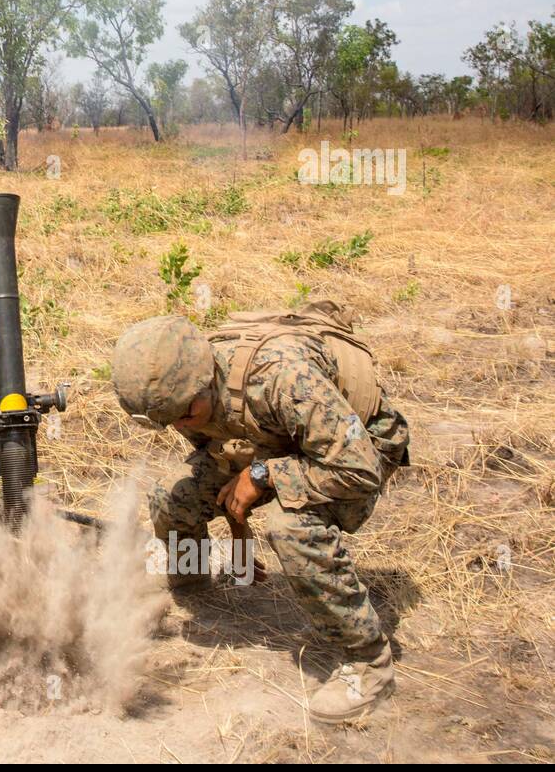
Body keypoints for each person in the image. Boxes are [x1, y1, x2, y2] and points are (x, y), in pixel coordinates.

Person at [110, 303, 410, 724]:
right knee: (170, 497)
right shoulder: (188, 394)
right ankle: (193, 576)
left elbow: (359, 470)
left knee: (292, 527)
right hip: (276, 445)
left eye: (184, 414)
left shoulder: (284, 378)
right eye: (168, 421)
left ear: (206, 381)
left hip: (355, 453)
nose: (179, 426)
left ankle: (368, 663)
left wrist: (265, 473)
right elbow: (222, 452)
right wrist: (239, 539)